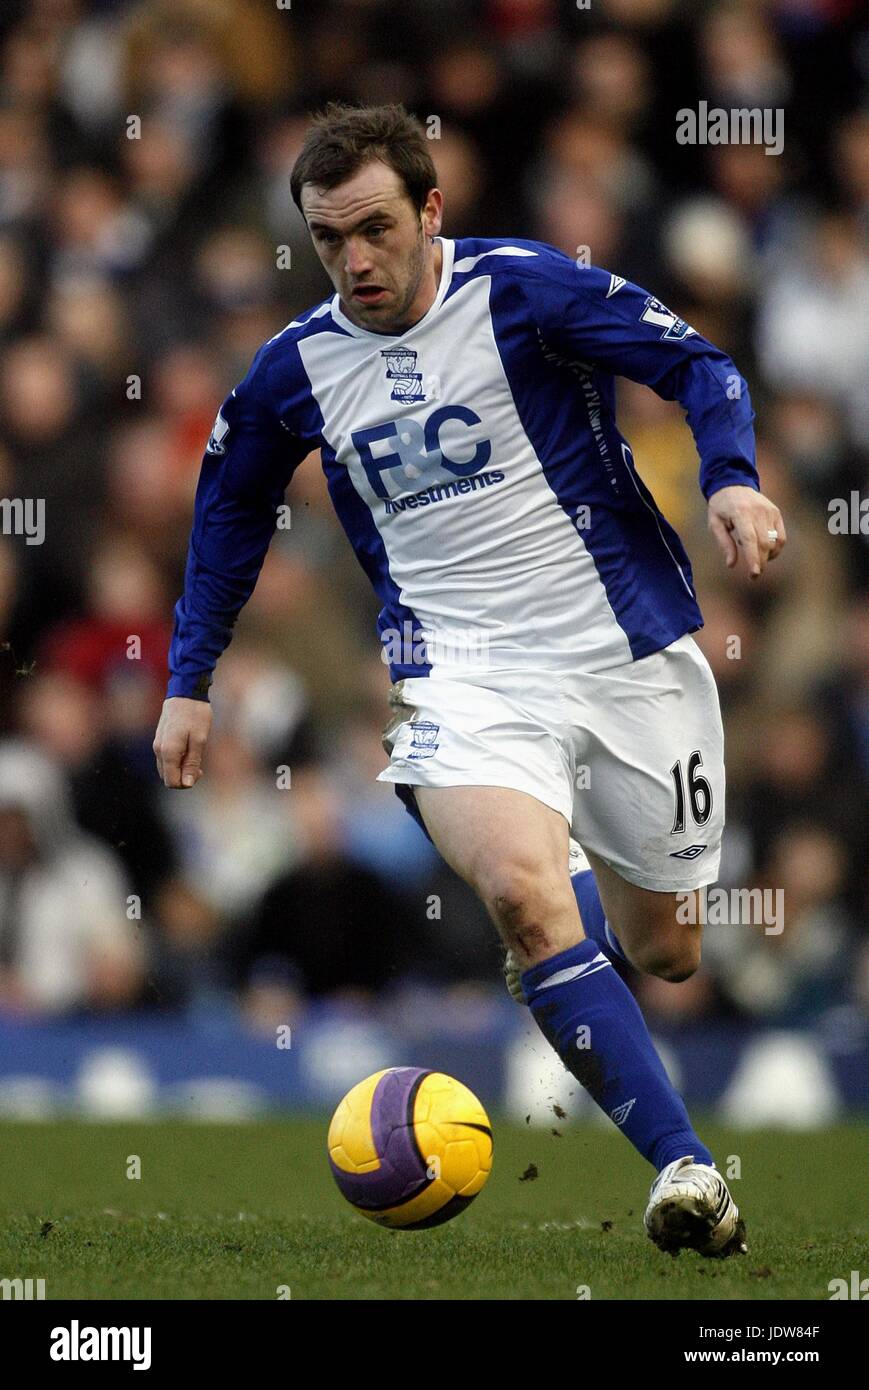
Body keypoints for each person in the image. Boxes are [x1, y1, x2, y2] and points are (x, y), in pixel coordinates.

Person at [153, 103, 787, 1257]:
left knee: (667, 950)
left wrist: (731, 480)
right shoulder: (294, 366)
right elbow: (230, 506)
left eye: (375, 229)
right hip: (459, 675)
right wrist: (188, 678)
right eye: (326, 237)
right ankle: (687, 1169)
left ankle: (574, 890)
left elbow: (695, 363)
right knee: (516, 889)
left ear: (431, 211)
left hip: (624, 653)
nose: (353, 260)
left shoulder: (525, 289)